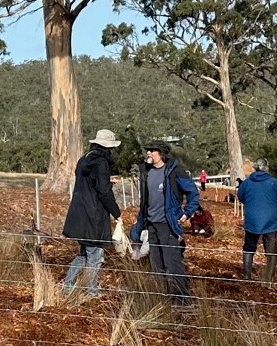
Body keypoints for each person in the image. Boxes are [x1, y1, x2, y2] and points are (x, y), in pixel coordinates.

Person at [132, 140, 202, 307]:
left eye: (152, 151)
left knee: (173, 263)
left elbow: (193, 193)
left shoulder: (174, 171)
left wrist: (186, 213)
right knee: (156, 265)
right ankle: (162, 300)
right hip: (151, 225)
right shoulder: (145, 172)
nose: (148, 153)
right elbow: (145, 200)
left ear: (161, 153)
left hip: (168, 225)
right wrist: (140, 221)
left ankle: (182, 301)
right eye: (147, 150)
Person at [61, 128, 121, 298]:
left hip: (79, 214)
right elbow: (103, 192)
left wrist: (106, 180)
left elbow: (88, 181)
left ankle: (68, 286)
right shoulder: (102, 163)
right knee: (95, 255)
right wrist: (116, 213)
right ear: (108, 147)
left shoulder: (84, 160)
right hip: (93, 215)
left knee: (83, 253)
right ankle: (91, 290)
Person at [237, 158, 277, 281]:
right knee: (271, 248)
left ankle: (247, 276)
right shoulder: (273, 182)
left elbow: (240, 196)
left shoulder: (247, 182)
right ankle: (269, 278)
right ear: (266, 168)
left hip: (252, 219)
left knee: (249, 246)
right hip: (269, 220)